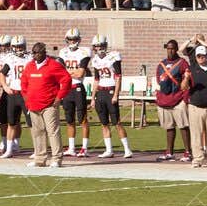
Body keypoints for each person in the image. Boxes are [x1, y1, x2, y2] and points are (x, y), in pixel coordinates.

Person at [21, 41, 72, 168]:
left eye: (37, 52)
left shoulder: (53, 65)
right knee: (37, 132)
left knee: (52, 132)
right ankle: (40, 158)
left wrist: (59, 97)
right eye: (33, 53)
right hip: (33, 105)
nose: (34, 55)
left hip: (49, 104)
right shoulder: (29, 66)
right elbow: (24, 82)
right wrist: (26, 98)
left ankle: (57, 158)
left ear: (44, 53)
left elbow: (66, 80)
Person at [88, 37, 132, 158]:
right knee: (104, 124)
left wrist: (116, 94)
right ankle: (109, 150)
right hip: (100, 92)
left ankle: (127, 149)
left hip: (111, 91)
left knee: (117, 122)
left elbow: (118, 76)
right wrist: (92, 97)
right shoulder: (95, 60)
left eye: (101, 45)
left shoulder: (113, 57)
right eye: (97, 46)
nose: (99, 48)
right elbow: (96, 79)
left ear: (105, 45)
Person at [153, 39, 192, 161]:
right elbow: (159, 80)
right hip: (165, 99)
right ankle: (169, 152)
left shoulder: (182, 63)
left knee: (183, 126)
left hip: (178, 99)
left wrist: (185, 99)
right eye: (168, 48)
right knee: (169, 127)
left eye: (173, 48)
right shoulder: (161, 64)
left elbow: (187, 80)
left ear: (176, 49)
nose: (170, 51)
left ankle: (187, 152)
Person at [56, 28, 91, 157]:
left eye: (74, 39)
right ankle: (71, 147)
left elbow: (80, 73)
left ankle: (84, 148)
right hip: (66, 88)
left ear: (79, 39)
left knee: (82, 118)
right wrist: (70, 73)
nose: (72, 41)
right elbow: (59, 72)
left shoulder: (84, 51)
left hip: (77, 87)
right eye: (70, 39)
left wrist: (67, 73)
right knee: (69, 119)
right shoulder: (63, 52)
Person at [0, 35, 26, 158]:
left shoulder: (25, 58)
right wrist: (2, 84)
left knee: (19, 119)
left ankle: (15, 142)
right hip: (9, 91)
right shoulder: (3, 58)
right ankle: (6, 143)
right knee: (5, 118)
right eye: (0, 46)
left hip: (20, 90)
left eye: (4, 46)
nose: (1, 49)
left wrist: (3, 83)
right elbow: (3, 74)